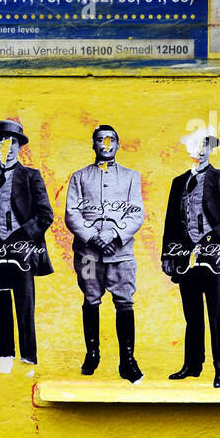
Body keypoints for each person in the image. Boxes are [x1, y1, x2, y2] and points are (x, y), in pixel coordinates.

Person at [161, 126, 220, 388]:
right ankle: (192, 364)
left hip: (214, 256)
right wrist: (168, 254)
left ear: (211, 149)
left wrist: (211, 238)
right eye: (197, 144)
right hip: (185, 257)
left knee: (217, 315)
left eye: (206, 144)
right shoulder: (178, 182)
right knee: (192, 315)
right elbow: (171, 223)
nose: (201, 149)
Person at [0, 119, 54, 373]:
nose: (6, 147)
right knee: (0, 307)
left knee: (25, 307)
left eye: (11, 142)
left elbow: (45, 215)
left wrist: (22, 236)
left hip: (23, 251)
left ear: (19, 148)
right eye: (1, 142)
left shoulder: (31, 176)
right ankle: (3, 359)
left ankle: (28, 359)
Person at [64, 124, 145, 382]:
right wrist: (93, 237)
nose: (106, 144)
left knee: (124, 301)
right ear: (93, 145)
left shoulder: (131, 176)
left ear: (118, 145)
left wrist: (114, 234)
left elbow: (136, 213)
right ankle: (93, 353)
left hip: (121, 254)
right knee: (91, 299)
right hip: (88, 254)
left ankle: (127, 360)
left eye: (111, 140)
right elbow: (72, 213)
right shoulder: (79, 177)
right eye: (100, 140)